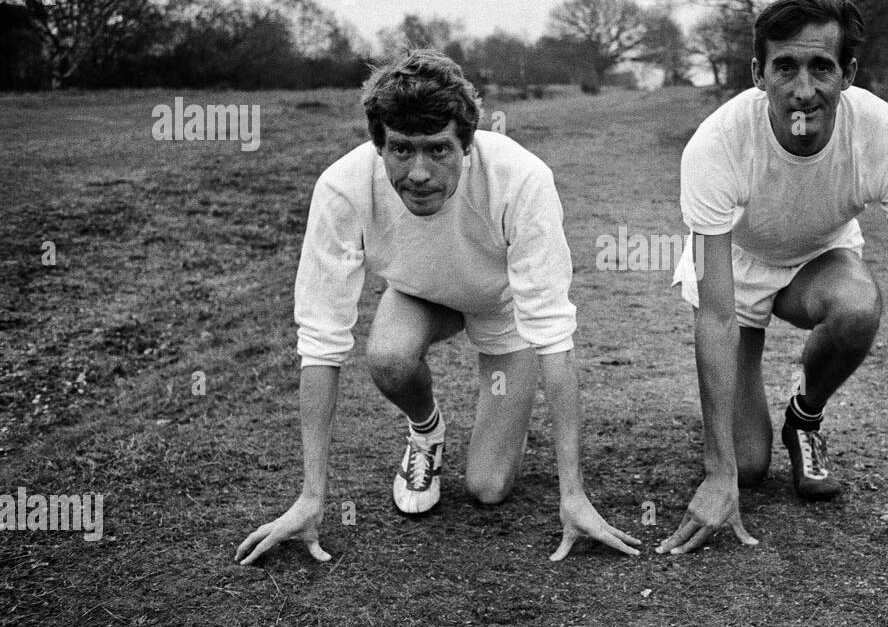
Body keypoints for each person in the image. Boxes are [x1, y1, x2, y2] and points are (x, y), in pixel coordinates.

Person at [236, 49, 638, 565]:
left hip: (502, 307)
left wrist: (574, 496)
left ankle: (503, 433)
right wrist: (311, 497)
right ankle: (426, 432)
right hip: (422, 295)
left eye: (438, 150)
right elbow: (320, 339)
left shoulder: (521, 178)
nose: (420, 172)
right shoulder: (342, 187)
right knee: (387, 358)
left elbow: (554, 335)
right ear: (378, 143)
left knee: (489, 488)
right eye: (402, 150)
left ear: (467, 143)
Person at [658, 0, 888, 555]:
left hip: (819, 261)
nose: (804, 90)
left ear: (848, 72)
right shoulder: (715, 145)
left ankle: (804, 419)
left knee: (859, 304)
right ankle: (739, 442)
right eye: (785, 67)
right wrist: (717, 473)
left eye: (821, 67)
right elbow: (715, 315)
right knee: (749, 467)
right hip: (736, 264)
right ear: (758, 72)